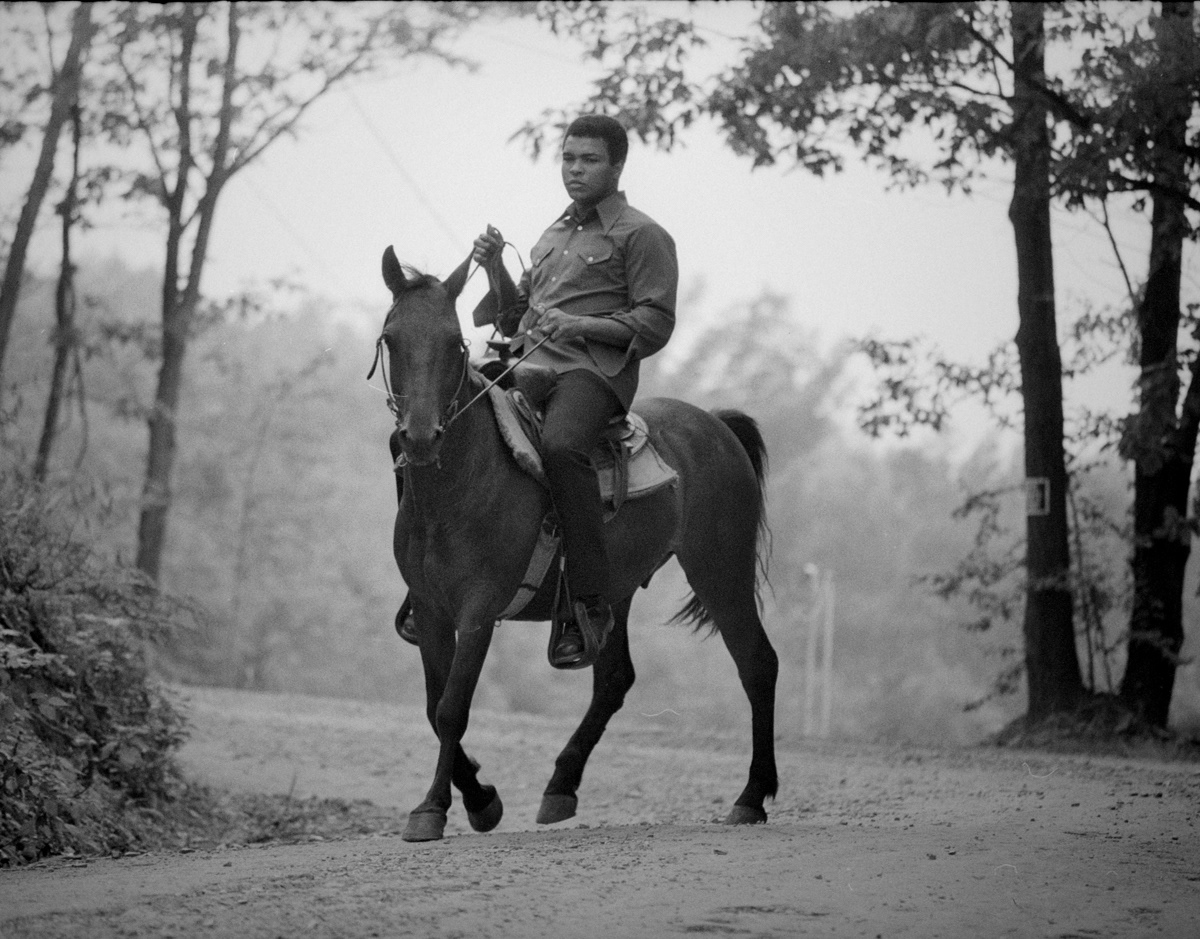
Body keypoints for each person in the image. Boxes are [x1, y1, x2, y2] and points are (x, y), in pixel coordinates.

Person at [398, 114, 678, 670]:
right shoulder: (553, 234)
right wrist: (497, 265)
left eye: (589, 160)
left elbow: (655, 324)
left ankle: (586, 602)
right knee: (426, 426)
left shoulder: (643, 235)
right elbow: (510, 317)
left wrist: (580, 327)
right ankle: (424, 578)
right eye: (569, 158)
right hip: (527, 363)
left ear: (617, 166)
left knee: (560, 449)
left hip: (592, 375)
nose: (575, 170)